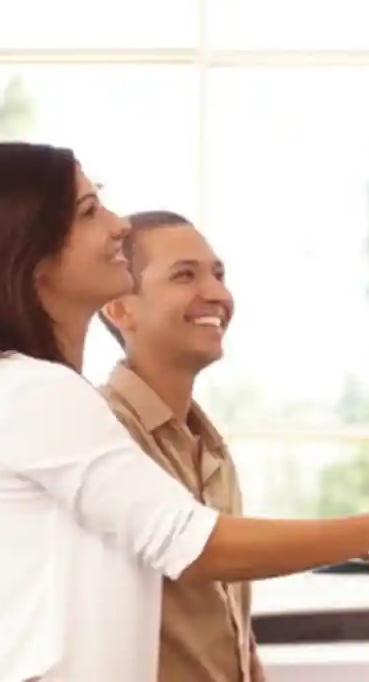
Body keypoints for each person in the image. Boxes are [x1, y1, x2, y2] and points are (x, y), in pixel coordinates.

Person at [0, 142, 369, 681]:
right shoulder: (34, 393)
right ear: (34, 258)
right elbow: (193, 543)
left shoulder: (35, 393)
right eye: (90, 210)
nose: (119, 224)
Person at [94, 210, 263, 681]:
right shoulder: (102, 434)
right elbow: (200, 550)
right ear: (120, 308)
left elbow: (223, 615)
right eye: (185, 275)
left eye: (218, 273)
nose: (217, 294)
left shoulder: (211, 448)